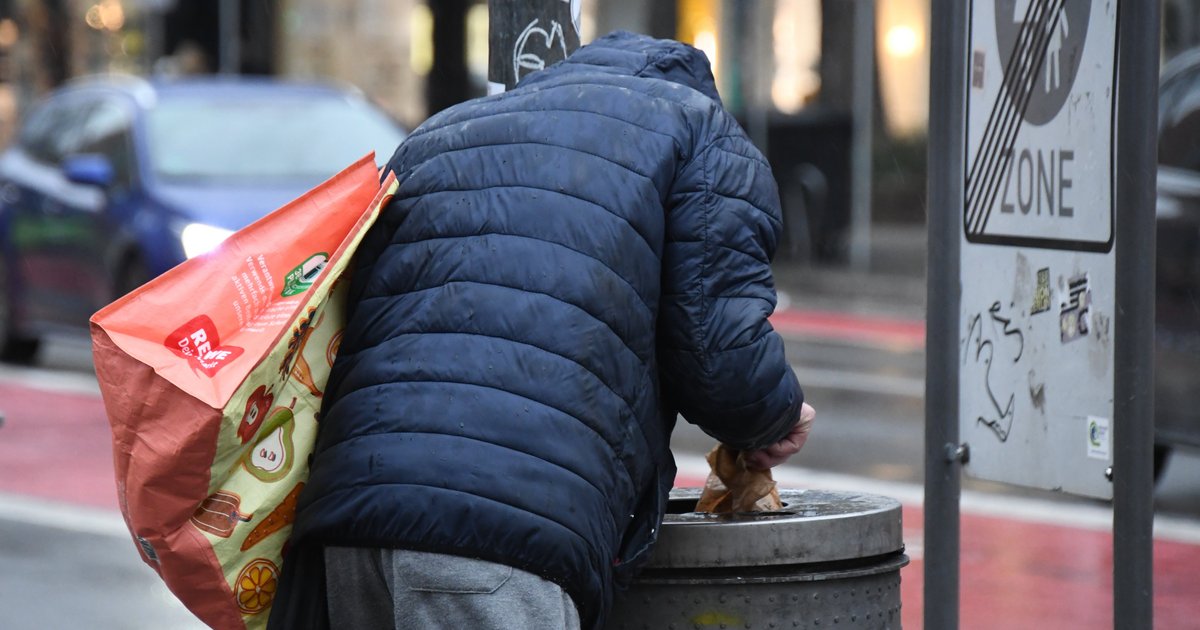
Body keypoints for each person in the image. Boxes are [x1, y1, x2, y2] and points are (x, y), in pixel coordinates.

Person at [269, 30, 815, 630]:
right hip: (496, 532)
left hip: (352, 520)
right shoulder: (697, 130)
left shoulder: (437, 135)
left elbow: (354, 326)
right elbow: (718, 350)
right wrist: (775, 417)